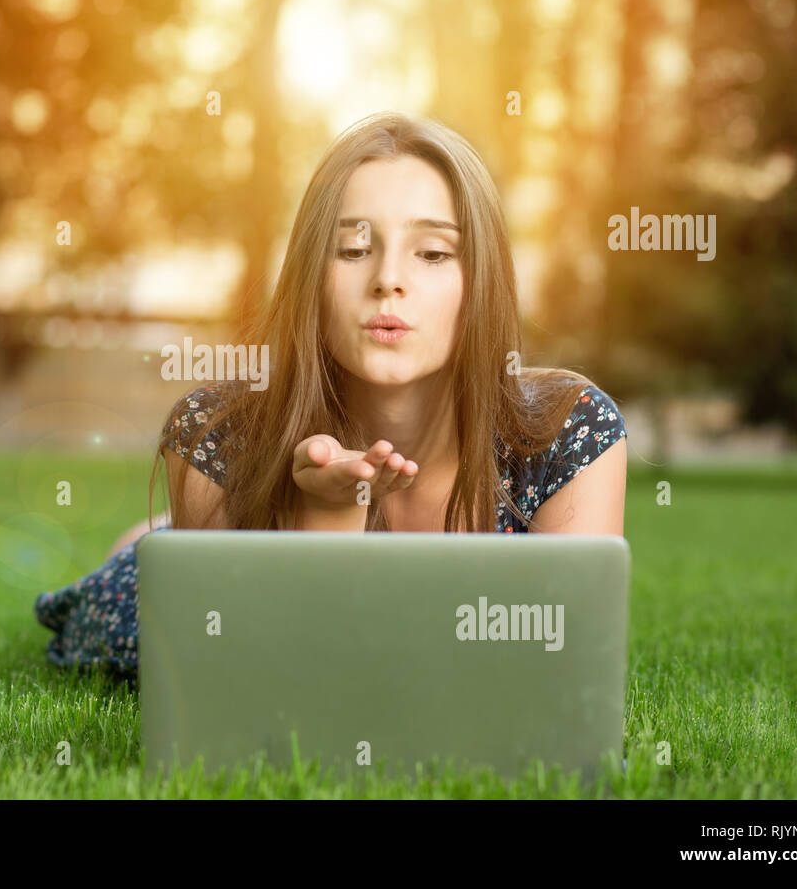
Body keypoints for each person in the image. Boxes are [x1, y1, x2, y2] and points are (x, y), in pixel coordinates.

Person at [33, 110, 628, 683]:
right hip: (188, 586)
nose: (387, 279)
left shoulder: (570, 430)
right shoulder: (213, 434)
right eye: (352, 249)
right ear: (309, 278)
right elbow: (266, 683)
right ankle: (146, 540)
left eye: (433, 253)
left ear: (482, 283)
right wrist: (326, 516)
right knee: (138, 579)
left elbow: (564, 665)